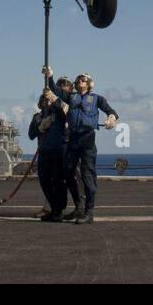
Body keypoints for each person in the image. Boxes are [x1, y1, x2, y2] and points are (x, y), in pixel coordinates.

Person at [62, 72, 118, 225]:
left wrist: (111, 118)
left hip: (87, 138)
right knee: (67, 172)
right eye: (79, 78)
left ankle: (89, 212)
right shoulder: (70, 97)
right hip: (73, 138)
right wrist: (50, 76)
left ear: (89, 84)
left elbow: (111, 111)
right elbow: (55, 90)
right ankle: (78, 207)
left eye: (84, 79)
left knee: (87, 175)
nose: (81, 80)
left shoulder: (97, 98)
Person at [28, 75, 68, 222]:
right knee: (45, 181)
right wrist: (40, 127)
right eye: (44, 99)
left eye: (48, 99)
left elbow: (66, 110)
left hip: (58, 151)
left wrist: (55, 99)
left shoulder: (58, 114)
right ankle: (54, 208)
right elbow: (31, 135)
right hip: (44, 152)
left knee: (58, 181)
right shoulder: (37, 117)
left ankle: (59, 210)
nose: (47, 102)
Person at [54, 76, 85, 221]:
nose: (64, 87)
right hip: (59, 143)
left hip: (71, 143)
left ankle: (80, 206)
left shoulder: (74, 101)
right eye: (61, 85)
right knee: (59, 178)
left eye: (66, 84)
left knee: (73, 175)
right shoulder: (56, 102)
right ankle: (59, 209)